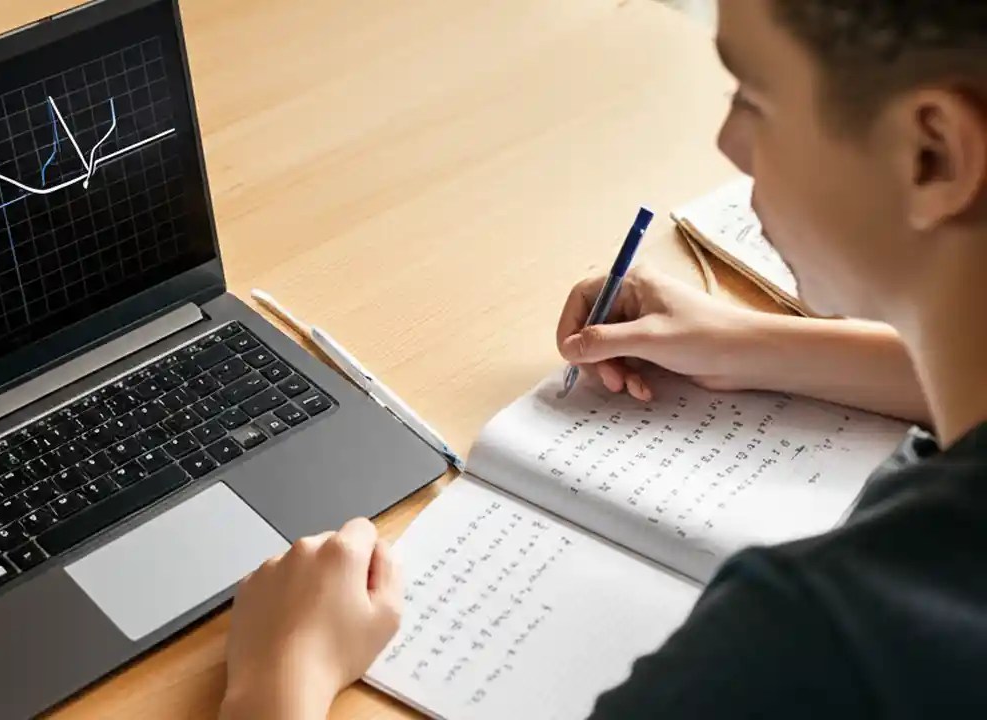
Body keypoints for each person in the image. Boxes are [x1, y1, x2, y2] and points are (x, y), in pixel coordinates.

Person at [218, 0, 987, 717]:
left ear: (934, 156)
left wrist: (281, 673)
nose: (727, 142)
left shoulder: (805, 647)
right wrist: (748, 343)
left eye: (756, 97)